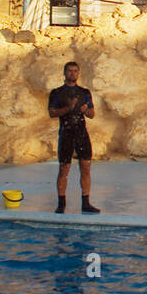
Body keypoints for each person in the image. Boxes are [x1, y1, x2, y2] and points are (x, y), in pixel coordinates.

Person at [48, 61, 99, 214]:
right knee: (64, 167)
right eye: (69, 71)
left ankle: (86, 202)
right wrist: (68, 108)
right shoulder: (57, 93)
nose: (72, 73)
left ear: (78, 73)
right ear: (64, 73)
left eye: (75, 71)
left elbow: (92, 114)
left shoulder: (84, 92)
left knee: (85, 166)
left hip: (81, 133)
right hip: (66, 133)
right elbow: (52, 113)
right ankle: (61, 203)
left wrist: (85, 110)